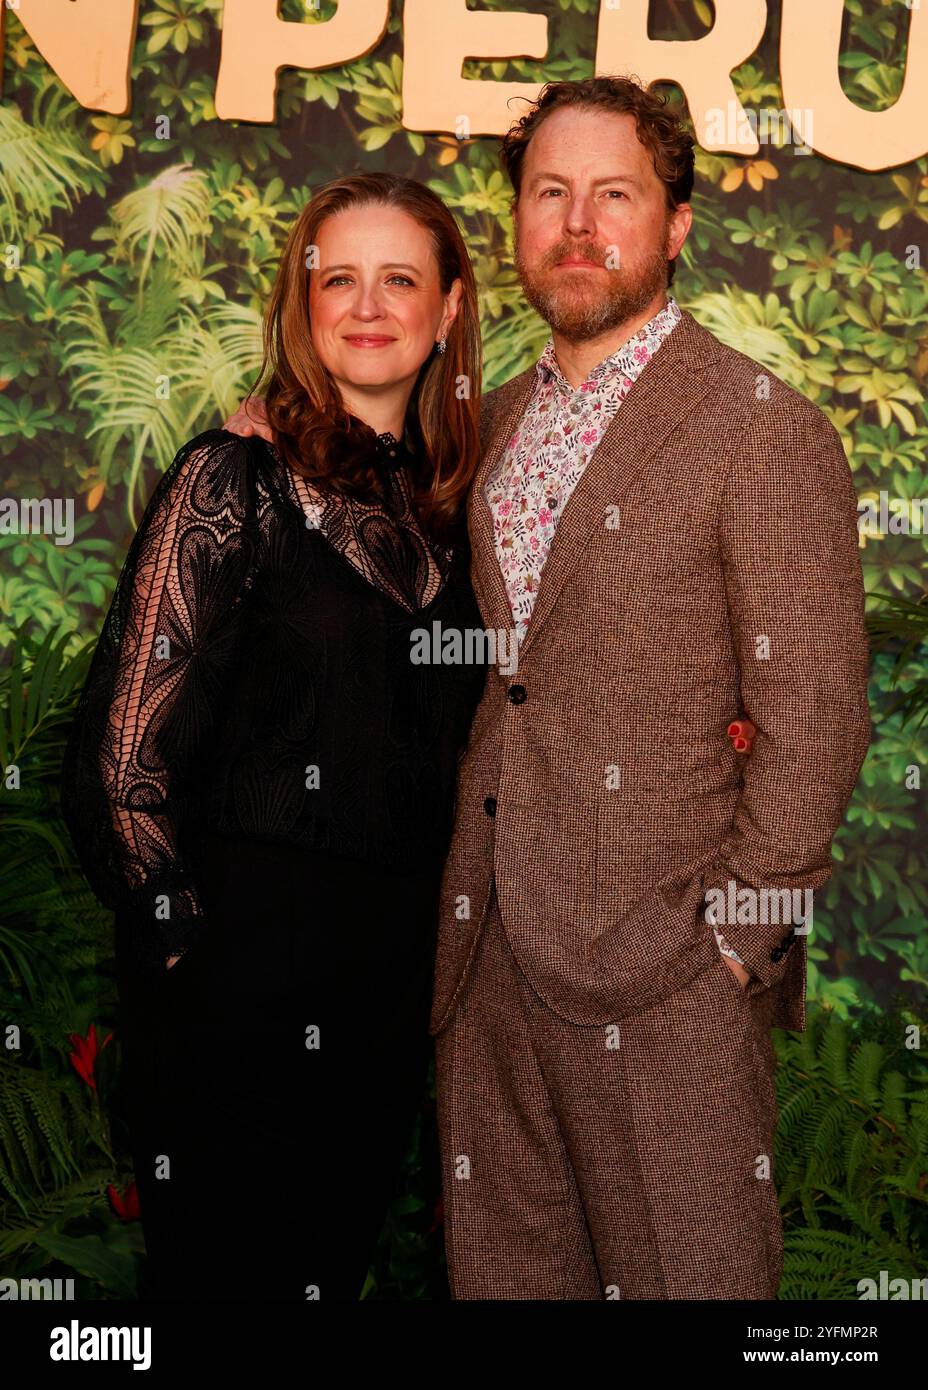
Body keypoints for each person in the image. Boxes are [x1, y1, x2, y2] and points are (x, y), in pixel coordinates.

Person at [59, 171, 489, 1301]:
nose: (366, 302)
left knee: (324, 1276)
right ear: (301, 308)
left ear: (449, 310)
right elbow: (120, 758)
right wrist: (185, 957)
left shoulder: (462, 512)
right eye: (336, 277)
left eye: (400, 277)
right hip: (237, 966)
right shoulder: (232, 477)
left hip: (393, 979)